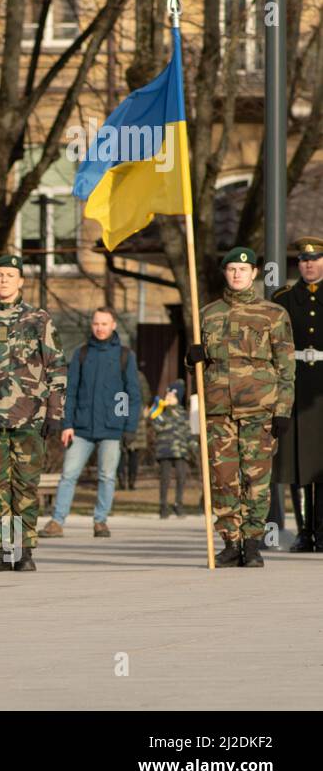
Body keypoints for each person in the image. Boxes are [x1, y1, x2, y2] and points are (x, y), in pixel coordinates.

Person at [186, 246, 295, 568]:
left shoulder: (273, 314)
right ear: (225, 273)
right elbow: (197, 367)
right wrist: (191, 359)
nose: (237, 274)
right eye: (232, 269)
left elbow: (286, 366)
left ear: (254, 274)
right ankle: (231, 543)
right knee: (222, 479)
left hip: (259, 408)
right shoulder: (207, 314)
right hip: (218, 408)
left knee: (257, 480)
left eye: (243, 270)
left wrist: (283, 410)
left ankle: (252, 543)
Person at [0, 254, 67, 572]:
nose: (4, 280)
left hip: (29, 416)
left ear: (21, 281)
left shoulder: (39, 319)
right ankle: (2, 548)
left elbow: (56, 367)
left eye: (10, 275)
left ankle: (25, 549)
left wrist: (55, 413)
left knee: (26, 485)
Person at [40, 306, 140, 539]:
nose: (100, 328)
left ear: (113, 325)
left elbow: (128, 394)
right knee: (69, 474)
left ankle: (100, 521)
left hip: (111, 429)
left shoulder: (125, 355)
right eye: (96, 323)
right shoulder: (81, 354)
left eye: (104, 324)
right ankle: (56, 521)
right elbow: (71, 392)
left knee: (107, 476)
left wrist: (127, 425)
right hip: (82, 428)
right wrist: (67, 424)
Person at [271, 236, 323, 552]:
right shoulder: (284, 299)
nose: (309, 264)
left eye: (315, 259)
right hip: (296, 385)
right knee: (298, 465)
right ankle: (304, 532)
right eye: (304, 260)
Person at [151, 381, 190, 519]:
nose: (168, 397)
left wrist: (193, 448)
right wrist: (159, 409)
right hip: (164, 450)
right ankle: (163, 506)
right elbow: (157, 426)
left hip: (180, 451)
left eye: (172, 395)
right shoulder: (160, 411)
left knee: (181, 477)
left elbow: (187, 432)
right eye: (167, 394)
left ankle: (178, 504)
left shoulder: (183, 413)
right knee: (165, 479)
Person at [118, 368, 152, 491]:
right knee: (134, 452)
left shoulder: (114, 373)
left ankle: (122, 481)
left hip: (119, 415)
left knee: (120, 451)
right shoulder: (139, 375)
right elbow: (146, 395)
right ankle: (131, 482)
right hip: (136, 415)